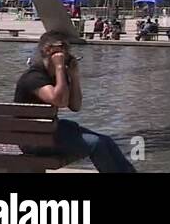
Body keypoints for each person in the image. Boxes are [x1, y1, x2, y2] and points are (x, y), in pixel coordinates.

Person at [14, 32, 135, 173]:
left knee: (106, 140)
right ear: (48, 50)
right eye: (63, 46)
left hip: (48, 132)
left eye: (68, 47)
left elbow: (75, 106)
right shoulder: (34, 77)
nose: (68, 51)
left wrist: (74, 76)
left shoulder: (59, 76)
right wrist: (59, 68)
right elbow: (60, 101)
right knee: (96, 144)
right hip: (32, 140)